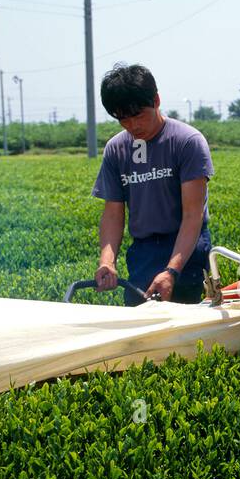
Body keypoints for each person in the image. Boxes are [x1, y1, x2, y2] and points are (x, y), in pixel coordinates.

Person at [91, 63, 215, 305]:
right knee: (141, 320)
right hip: (144, 250)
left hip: (186, 247)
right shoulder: (116, 149)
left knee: (184, 325)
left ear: (156, 100)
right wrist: (107, 261)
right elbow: (113, 214)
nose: (132, 126)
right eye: (123, 119)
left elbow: (193, 215)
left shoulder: (187, 142)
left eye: (138, 115)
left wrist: (172, 272)